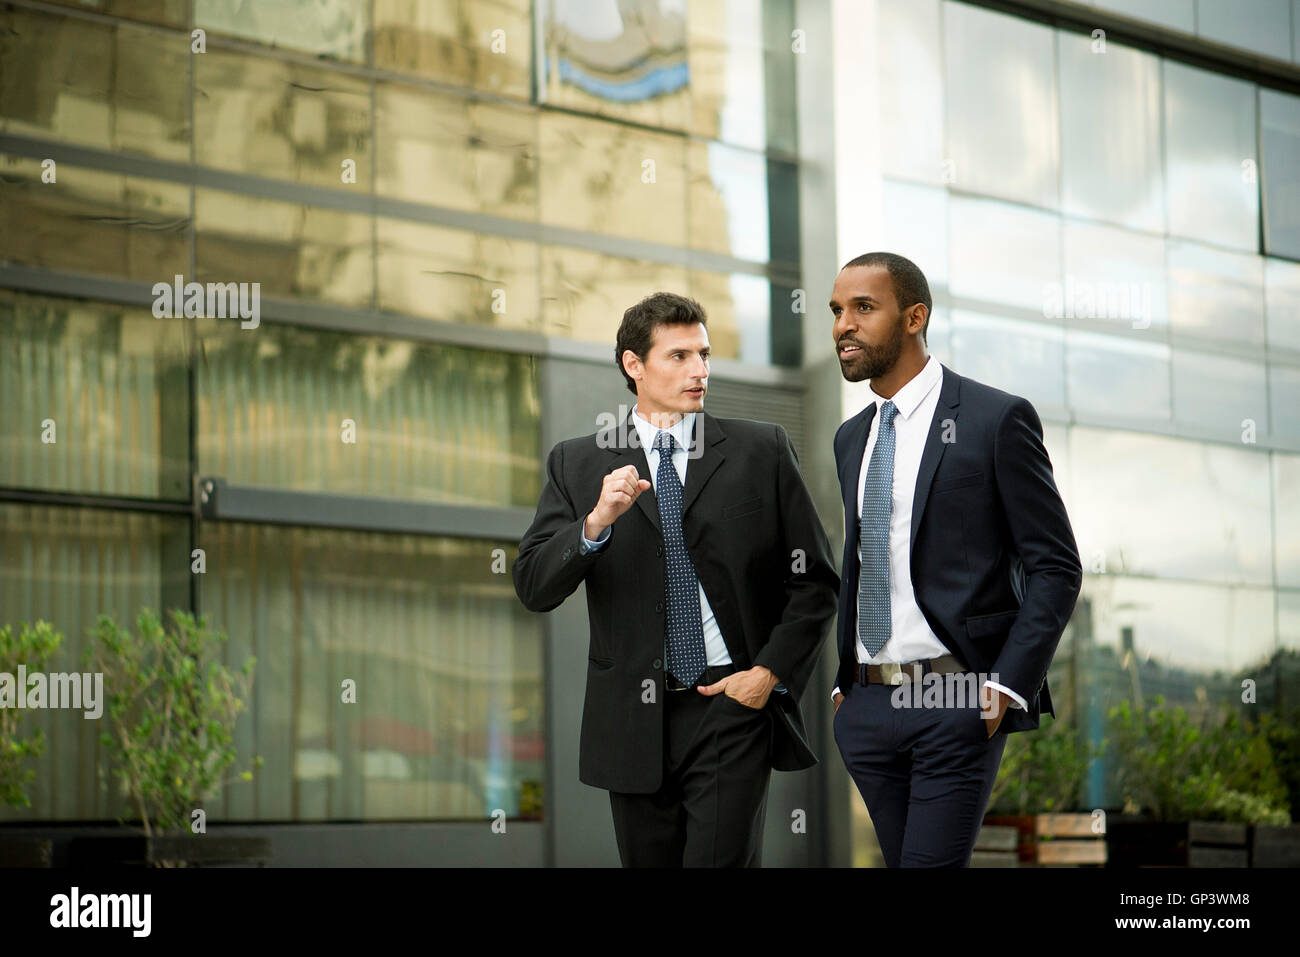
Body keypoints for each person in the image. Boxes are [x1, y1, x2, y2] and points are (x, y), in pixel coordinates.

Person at [513, 291, 839, 867]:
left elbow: (813, 581)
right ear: (633, 365)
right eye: (679, 356)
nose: (699, 371)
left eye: (704, 354)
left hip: (730, 706)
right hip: (631, 719)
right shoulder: (578, 462)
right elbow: (535, 585)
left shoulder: (760, 450)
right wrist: (594, 524)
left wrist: (768, 674)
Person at [828, 252, 1082, 867]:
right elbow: (866, 557)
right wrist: (848, 685)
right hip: (866, 706)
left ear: (915, 317)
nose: (842, 325)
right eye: (837, 310)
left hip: (955, 699)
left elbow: (1057, 566)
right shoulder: (852, 437)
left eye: (864, 307)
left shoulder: (995, 420)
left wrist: (1004, 689)